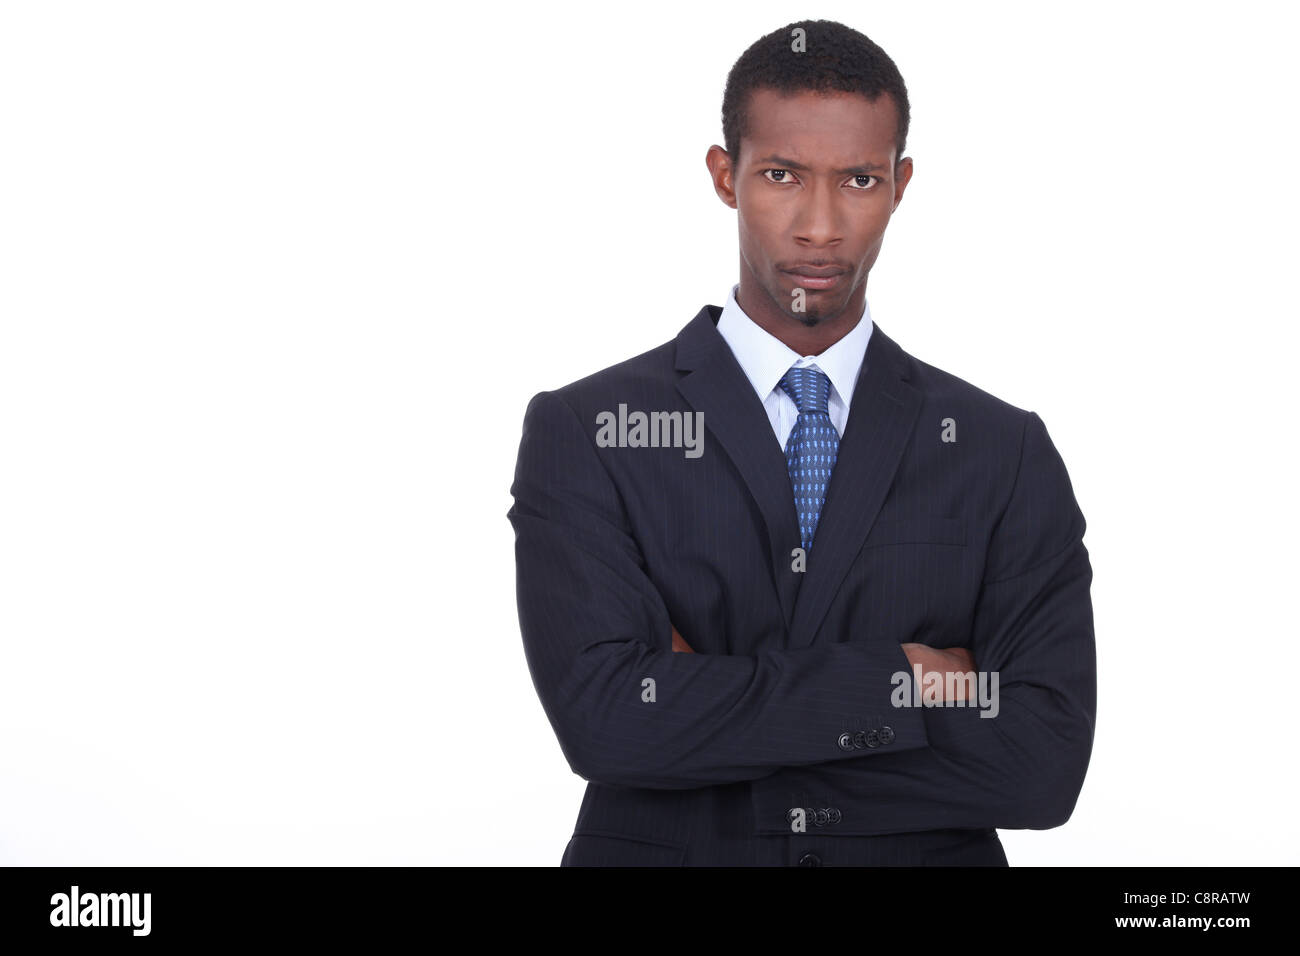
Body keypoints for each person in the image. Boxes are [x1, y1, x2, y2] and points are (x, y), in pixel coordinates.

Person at [506, 18, 1095, 866]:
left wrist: (705, 717)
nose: (820, 226)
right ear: (725, 177)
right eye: (782, 175)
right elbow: (609, 728)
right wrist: (907, 679)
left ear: (900, 185)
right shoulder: (590, 431)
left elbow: (1042, 768)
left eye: (858, 179)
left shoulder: (1002, 452)